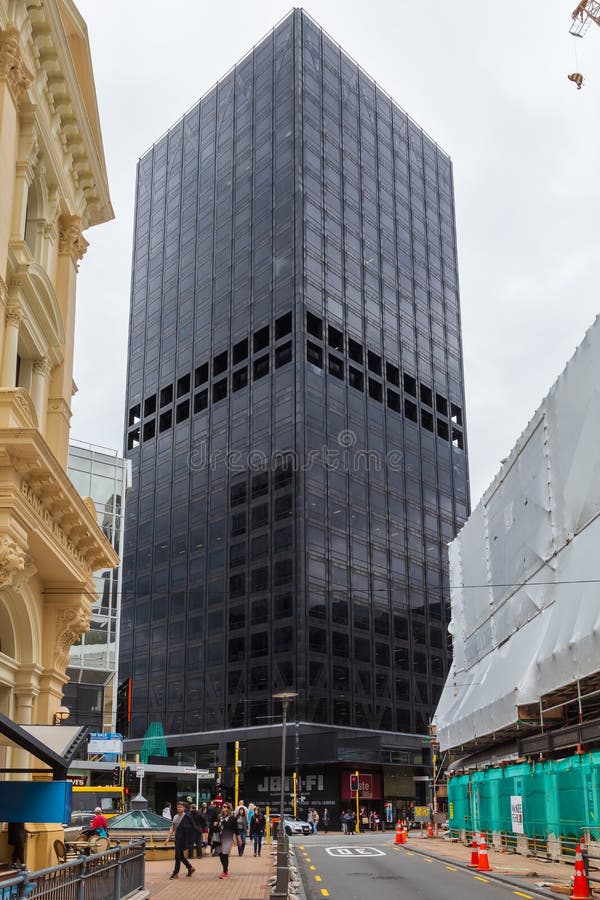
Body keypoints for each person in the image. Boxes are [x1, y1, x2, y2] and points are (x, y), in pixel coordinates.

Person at [165, 801, 196, 879]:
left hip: (184, 840)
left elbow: (191, 828)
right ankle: (190, 868)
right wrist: (168, 838)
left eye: (181, 807)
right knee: (180, 856)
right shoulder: (175, 817)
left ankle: (175, 873)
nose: (179, 808)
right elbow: (172, 828)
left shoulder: (187, 817)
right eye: (178, 807)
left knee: (177, 856)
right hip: (177, 839)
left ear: (184, 808)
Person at [214, 801, 240, 879]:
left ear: (229, 809)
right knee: (221, 854)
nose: (223, 808)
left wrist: (238, 838)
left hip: (228, 837)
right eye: (223, 806)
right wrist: (216, 824)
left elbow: (236, 829)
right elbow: (217, 827)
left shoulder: (232, 818)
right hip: (219, 837)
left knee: (225, 854)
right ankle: (225, 869)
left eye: (225, 807)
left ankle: (225, 872)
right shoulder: (220, 817)